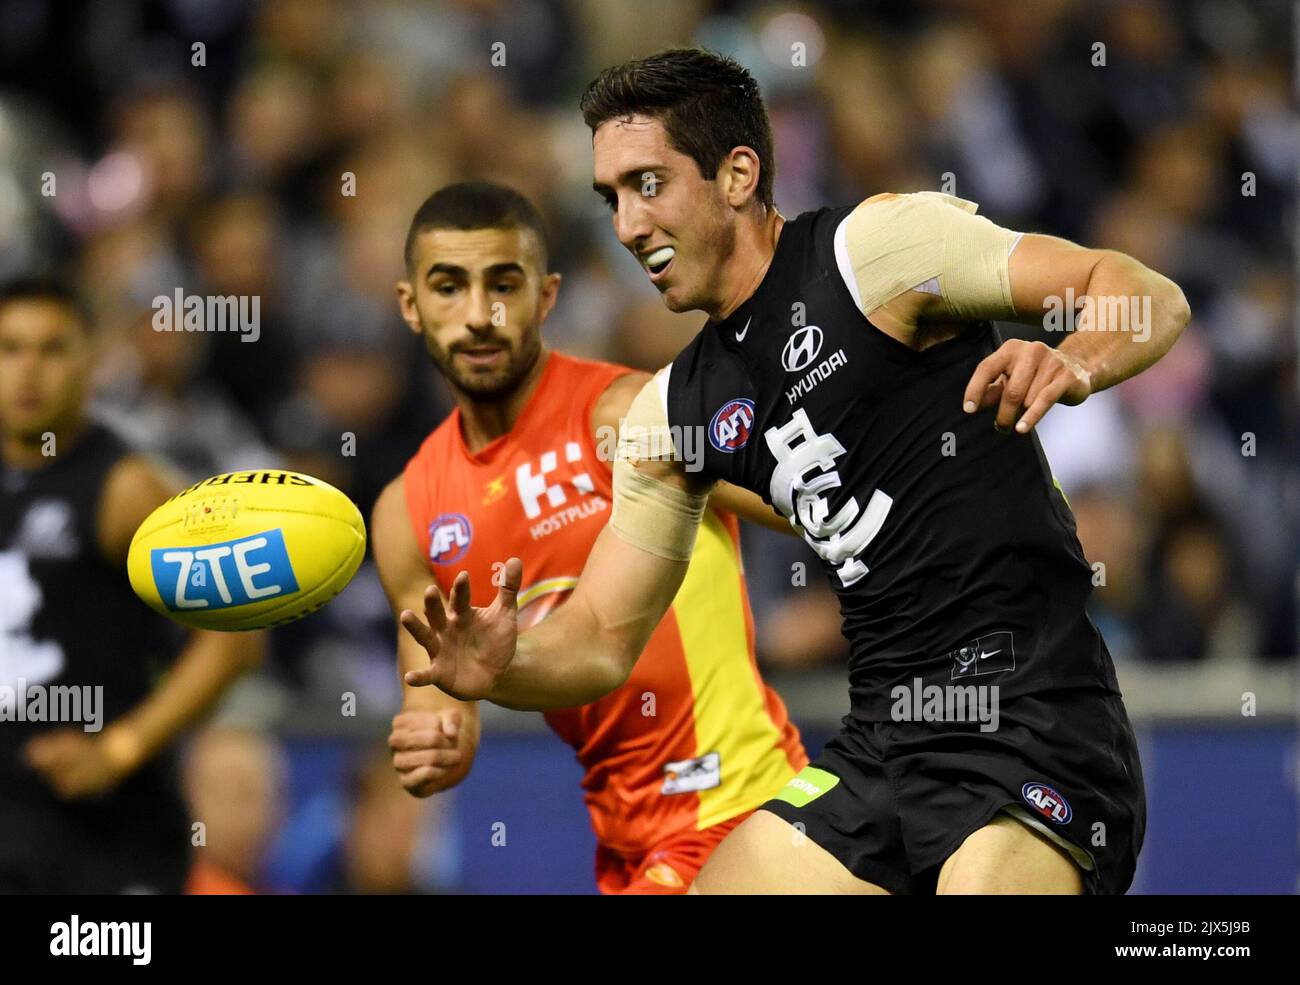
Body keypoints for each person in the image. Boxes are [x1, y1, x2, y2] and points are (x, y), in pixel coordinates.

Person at [372, 182, 807, 894]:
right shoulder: (407, 512)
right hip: (624, 843)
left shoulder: (629, 416)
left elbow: (813, 501)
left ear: (546, 298)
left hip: (737, 809)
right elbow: (443, 700)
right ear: (410, 303)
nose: (479, 315)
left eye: (503, 285)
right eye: (449, 287)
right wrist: (435, 742)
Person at [0, 277, 262, 893]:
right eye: (10, 349)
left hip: (108, 839)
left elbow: (233, 638)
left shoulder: (125, 489)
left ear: (92, 359)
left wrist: (120, 748)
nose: (29, 372)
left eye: (53, 349)